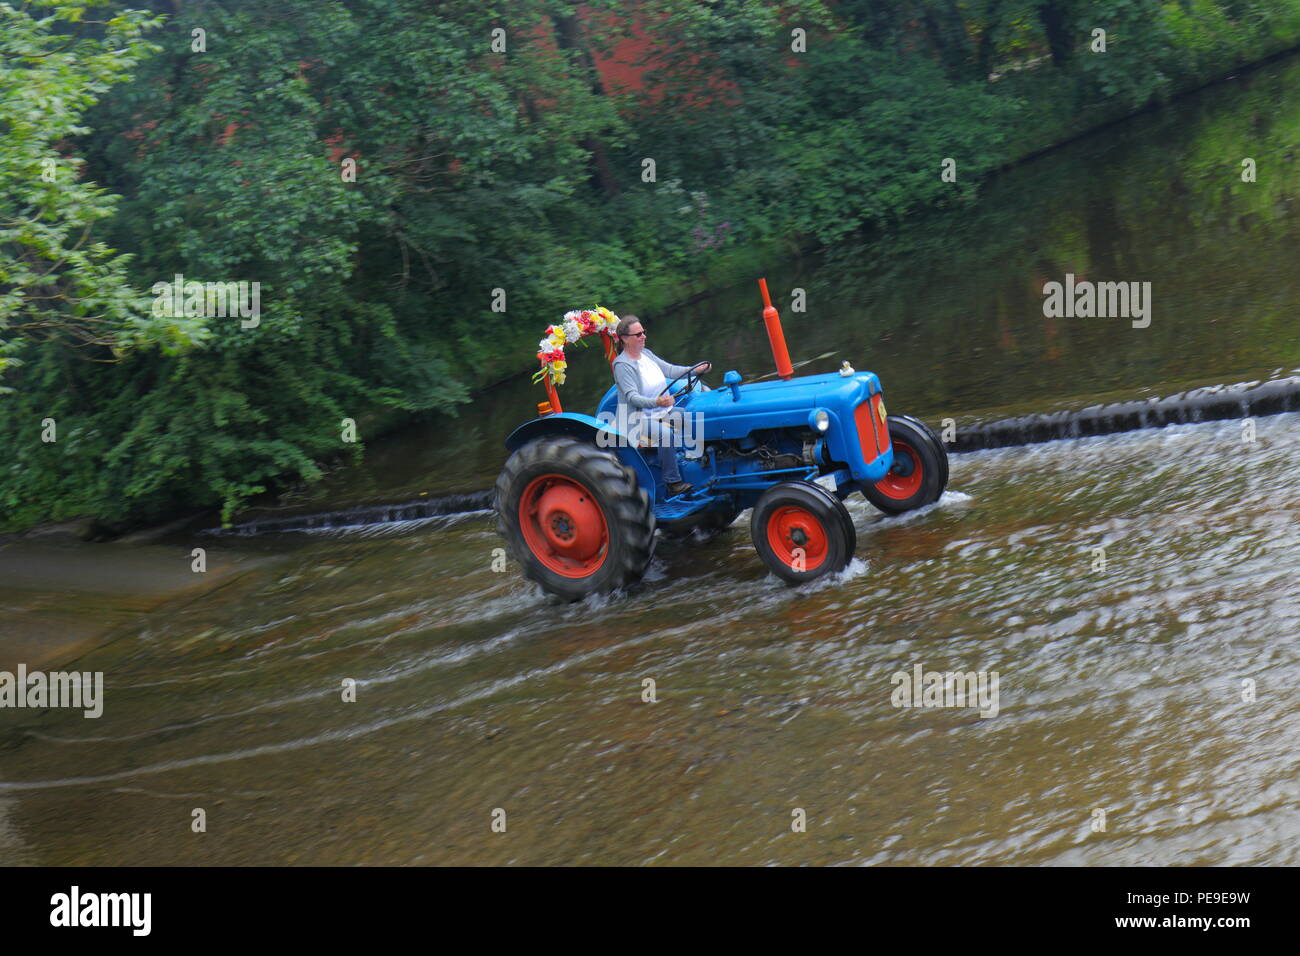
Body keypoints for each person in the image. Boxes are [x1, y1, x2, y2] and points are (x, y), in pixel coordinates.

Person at [612, 315, 711, 497]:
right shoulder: (621, 365)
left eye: (644, 332)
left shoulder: (647, 354)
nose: (643, 336)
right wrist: (657, 402)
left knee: (697, 418)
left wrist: (695, 369)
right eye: (638, 334)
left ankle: (703, 463)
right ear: (625, 339)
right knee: (666, 435)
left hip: (661, 411)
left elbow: (670, 370)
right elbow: (633, 398)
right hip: (637, 417)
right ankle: (673, 482)